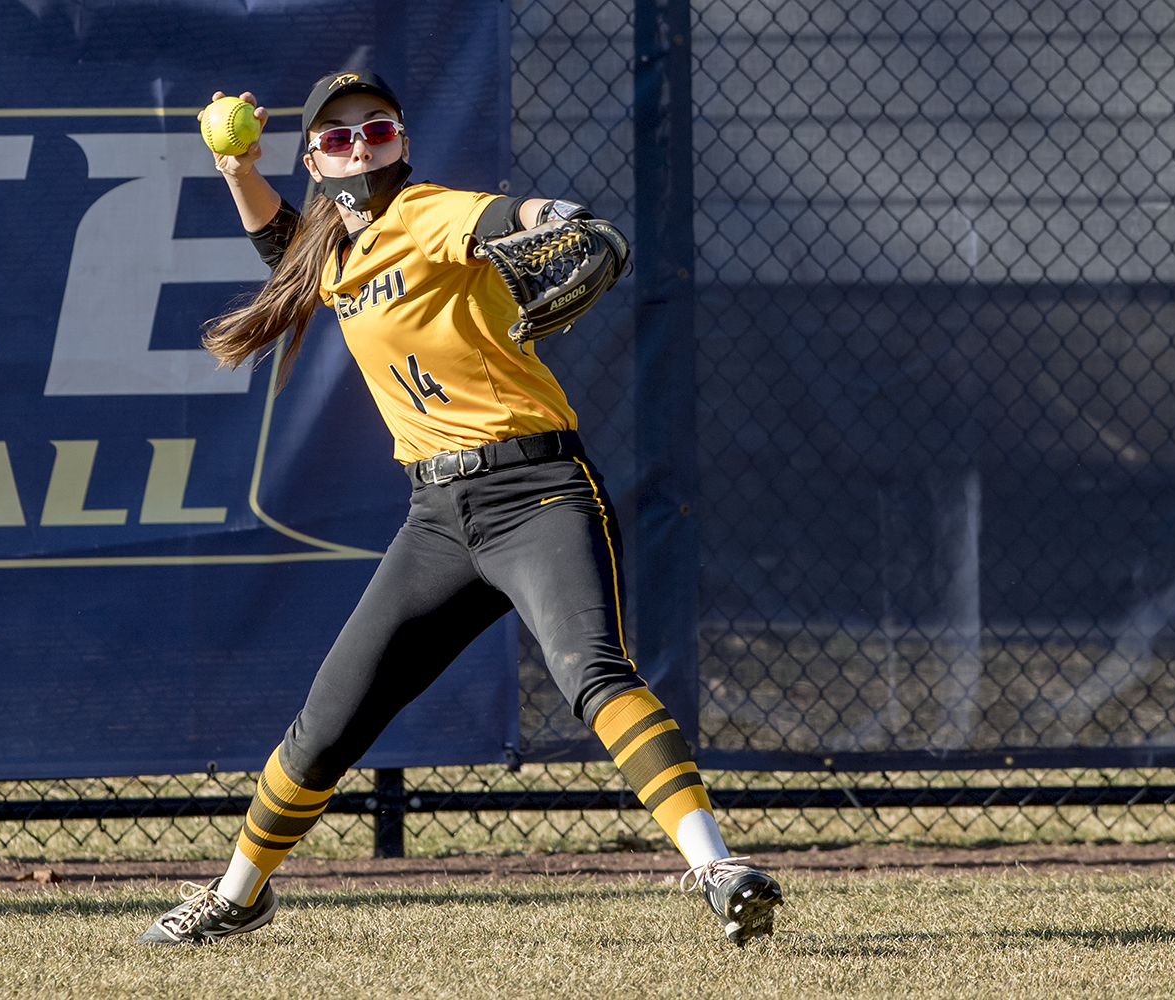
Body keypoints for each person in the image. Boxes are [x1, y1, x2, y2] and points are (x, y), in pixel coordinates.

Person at [136, 70, 783, 948]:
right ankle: (239, 894)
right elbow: (281, 246)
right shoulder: (338, 257)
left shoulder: (426, 212)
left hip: (538, 492)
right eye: (336, 136)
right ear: (315, 161)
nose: (358, 143)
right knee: (329, 721)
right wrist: (239, 168)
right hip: (437, 519)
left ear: (404, 141)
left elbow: (506, 217)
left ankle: (716, 867)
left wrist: (554, 220)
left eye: (377, 127)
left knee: (592, 673)